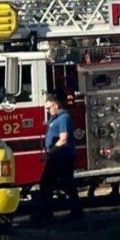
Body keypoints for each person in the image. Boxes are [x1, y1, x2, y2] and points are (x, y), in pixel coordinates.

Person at [34, 92, 82, 223]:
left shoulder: (64, 118)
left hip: (63, 156)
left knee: (61, 184)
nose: (47, 111)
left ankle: (75, 212)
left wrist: (49, 153)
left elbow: (63, 139)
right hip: (56, 157)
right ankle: (49, 212)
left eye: (49, 108)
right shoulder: (55, 118)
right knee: (50, 184)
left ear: (56, 105)